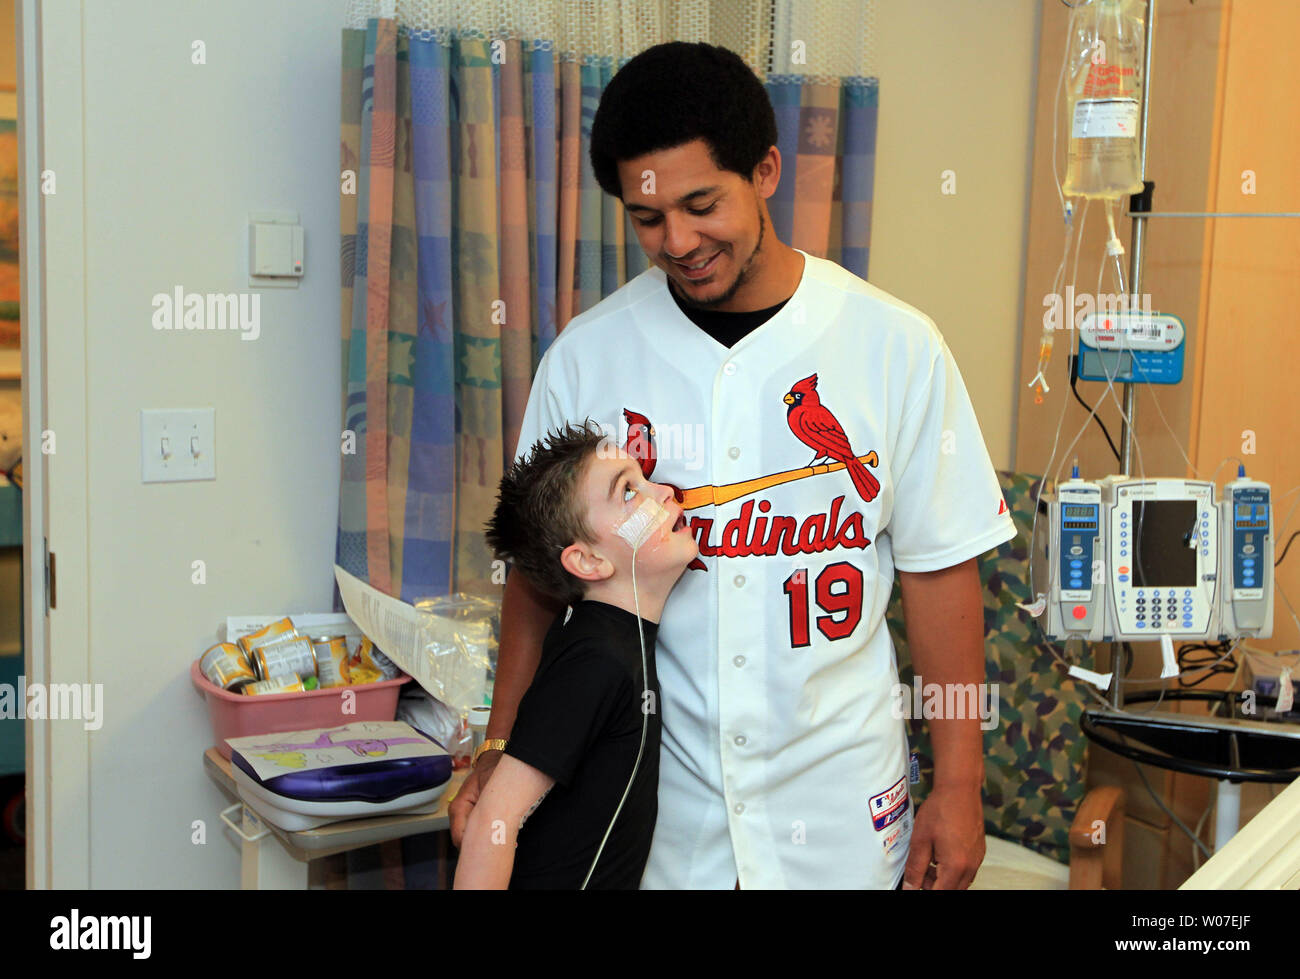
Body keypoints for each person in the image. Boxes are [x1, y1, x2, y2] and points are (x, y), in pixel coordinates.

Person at [450, 40, 1016, 890]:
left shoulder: (895, 347)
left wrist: (961, 787)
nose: (678, 240)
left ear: (767, 171)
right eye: (647, 219)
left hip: (841, 808)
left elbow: (942, 573)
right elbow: (537, 576)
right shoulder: (589, 356)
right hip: (659, 818)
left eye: (702, 204)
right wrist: (500, 744)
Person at [454, 420, 698, 888]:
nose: (665, 491)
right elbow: (492, 823)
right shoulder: (593, 660)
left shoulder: (620, 642)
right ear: (587, 561)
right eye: (629, 492)